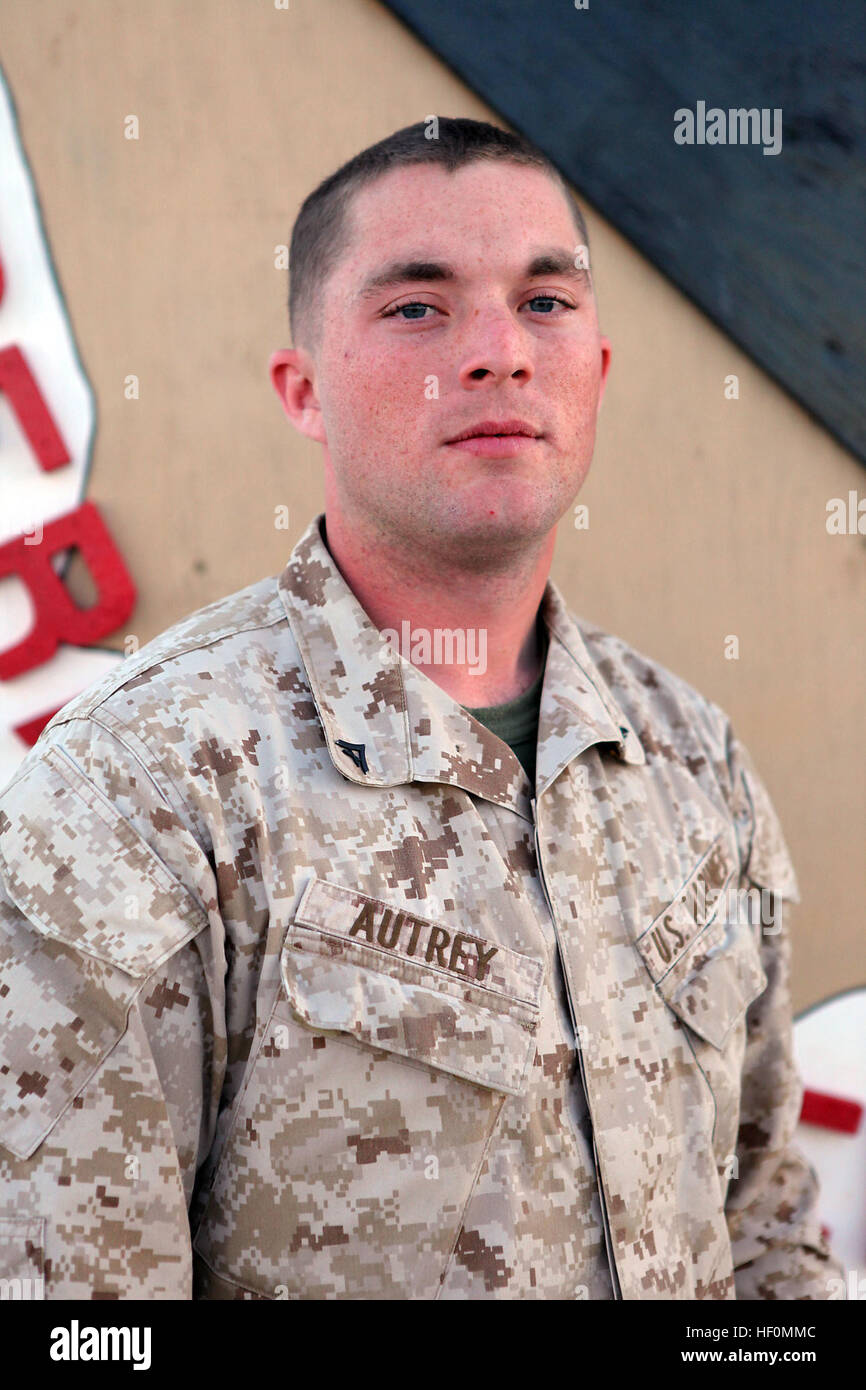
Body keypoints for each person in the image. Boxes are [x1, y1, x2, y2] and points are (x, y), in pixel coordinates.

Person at [0, 117, 843, 1300]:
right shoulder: (142, 788)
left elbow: (761, 1240)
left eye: (544, 301)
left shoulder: (689, 759)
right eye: (416, 307)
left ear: (595, 369)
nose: (497, 351)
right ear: (302, 390)